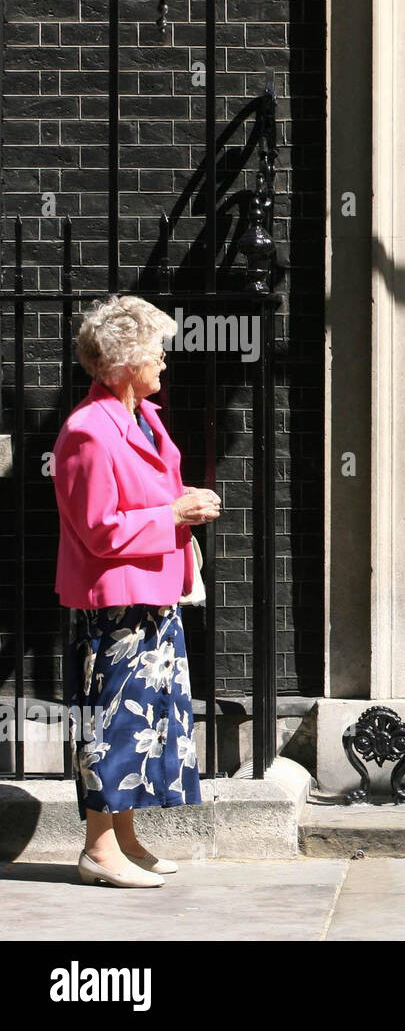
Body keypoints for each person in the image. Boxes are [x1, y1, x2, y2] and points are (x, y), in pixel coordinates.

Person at [53, 295, 221, 888]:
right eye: (157, 353)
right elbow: (97, 528)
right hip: (116, 604)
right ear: (126, 364)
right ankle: (98, 850)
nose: (165, 364)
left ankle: (124, 838)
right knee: (115, 728)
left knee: (150, 722)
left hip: (152, 594)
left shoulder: (142, 416)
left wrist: (182, 511)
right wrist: (176, 511)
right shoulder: (88, 432)